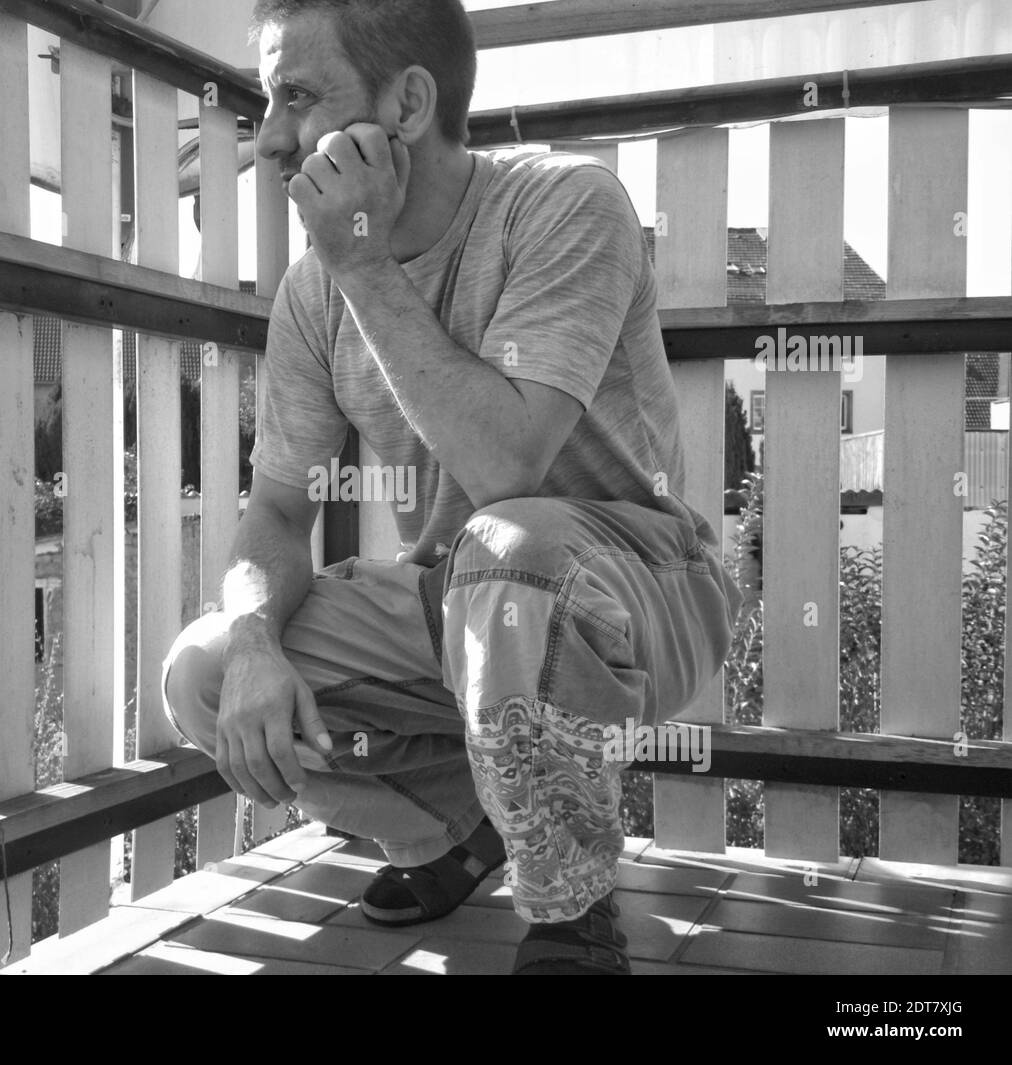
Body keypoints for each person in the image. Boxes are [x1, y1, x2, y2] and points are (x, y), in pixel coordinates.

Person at [162, 0, 742, 975]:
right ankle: (446, 834)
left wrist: (361, 258)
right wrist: (259, 642)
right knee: (205, 672)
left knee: (506, 554)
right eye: (268, 103)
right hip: (465, 611)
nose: (268, 141)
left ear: (407, 104)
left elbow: (505, 467)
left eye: (297, 98)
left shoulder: (563, 206)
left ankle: (571, 917)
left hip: (641, 592)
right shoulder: (313, 295)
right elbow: (277, 512)